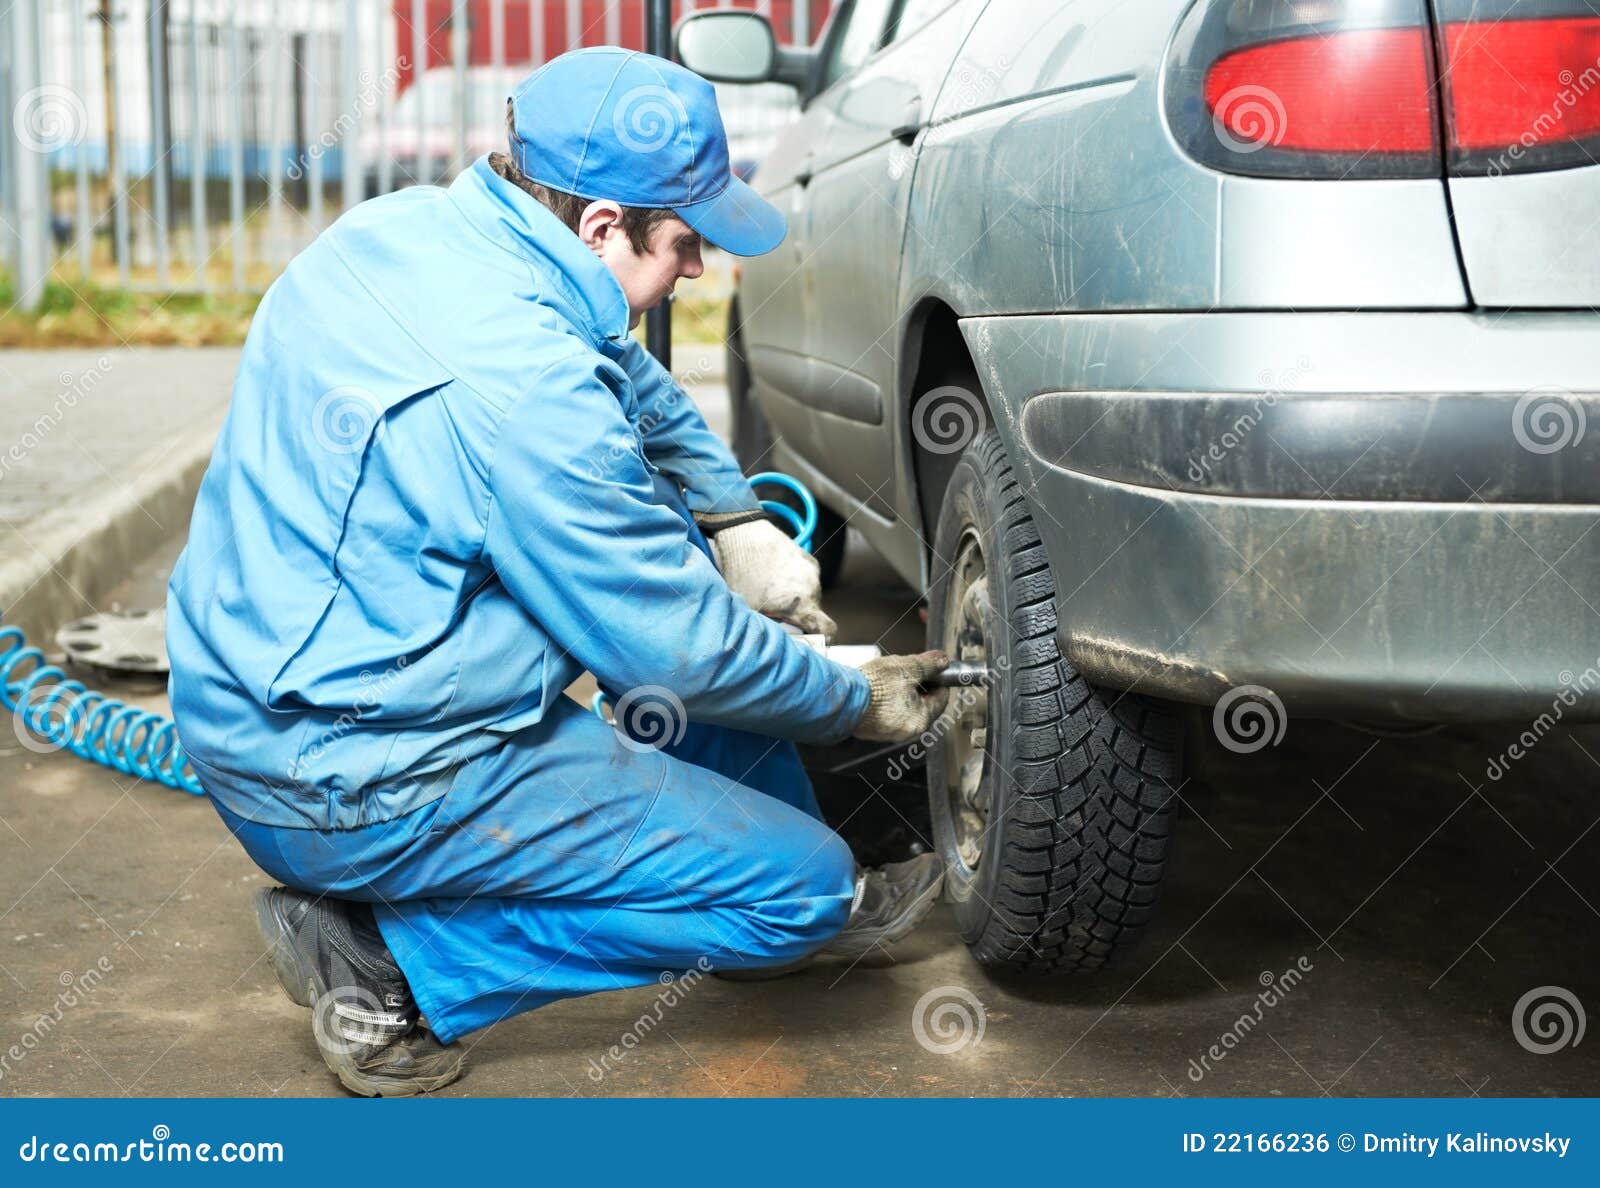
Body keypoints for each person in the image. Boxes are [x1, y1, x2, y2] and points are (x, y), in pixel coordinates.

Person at [165, 47, 950, 1098]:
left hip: (250, 706)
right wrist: (851, 699)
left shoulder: (403, 234)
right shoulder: (535, 398)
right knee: (797, 895)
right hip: (363, 783)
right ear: (601, 226)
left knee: (670, 549)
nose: (696, 270)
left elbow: (630, 377)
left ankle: (751, 843)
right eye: (684, 243)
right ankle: (394, 970)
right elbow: (682, 650)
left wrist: (733, 515)